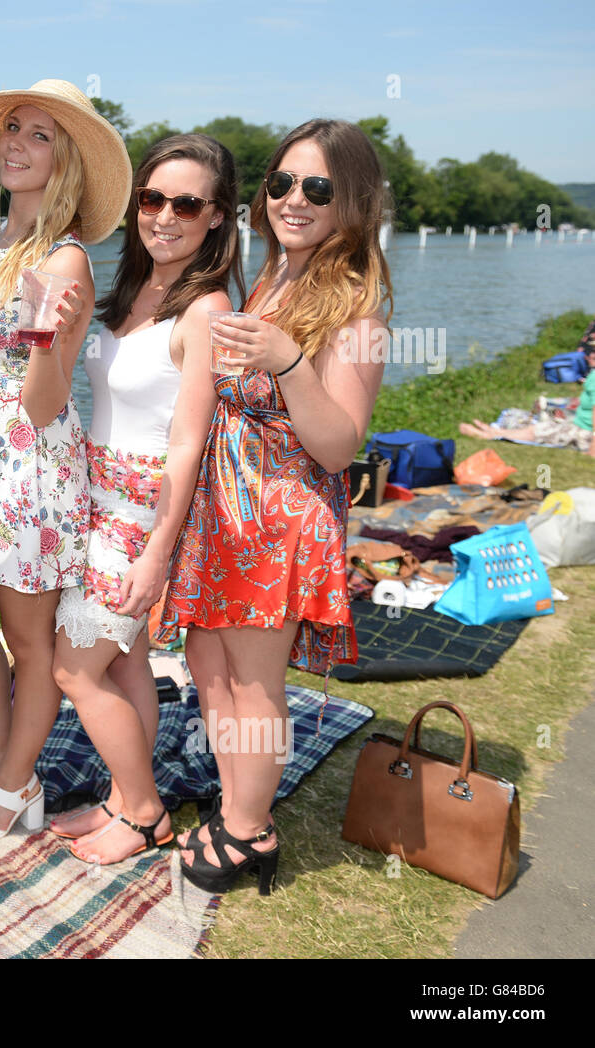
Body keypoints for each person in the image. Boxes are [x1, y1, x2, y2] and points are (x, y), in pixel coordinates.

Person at [155, 119, 392, 894]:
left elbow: (340, 446)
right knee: (207, 668)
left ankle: (250, 832)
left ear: (350, 201)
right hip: (225, 509)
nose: (294, 199)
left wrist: (287, 360)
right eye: (282, 183)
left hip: (280, 519)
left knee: (255, 685)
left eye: (316, 188)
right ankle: (235, 806)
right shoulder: (274, 276)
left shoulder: (359, 306)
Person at [0, 80, 131, 838]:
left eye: (40, 134)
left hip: (30, 474)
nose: (17, 142)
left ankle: (14, 787)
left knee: (30, 644)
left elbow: (46, 403)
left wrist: (49, 336)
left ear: (69, 161)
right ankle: (1, 764)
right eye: (12, 129)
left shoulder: (65, 261)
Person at [50, 134, 244, 863]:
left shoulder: (207, 309)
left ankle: (145, 814)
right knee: (124, 664)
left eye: (186, 204)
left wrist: (158, 552)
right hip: (92, 494)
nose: (164, 215)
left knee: (74, 666)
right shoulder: (130, 291)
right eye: (152, 198)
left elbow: (189, 442)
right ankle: (120, 797)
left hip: (140, 509)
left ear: (218, 217)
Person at [458, 345, 595, 456]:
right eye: (590, 351)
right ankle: (495, 432)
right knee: (540, 418)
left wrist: (592, 450)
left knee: (535, 430)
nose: (590, 355)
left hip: (584, 432)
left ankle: (490, 435)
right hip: (580, 423)